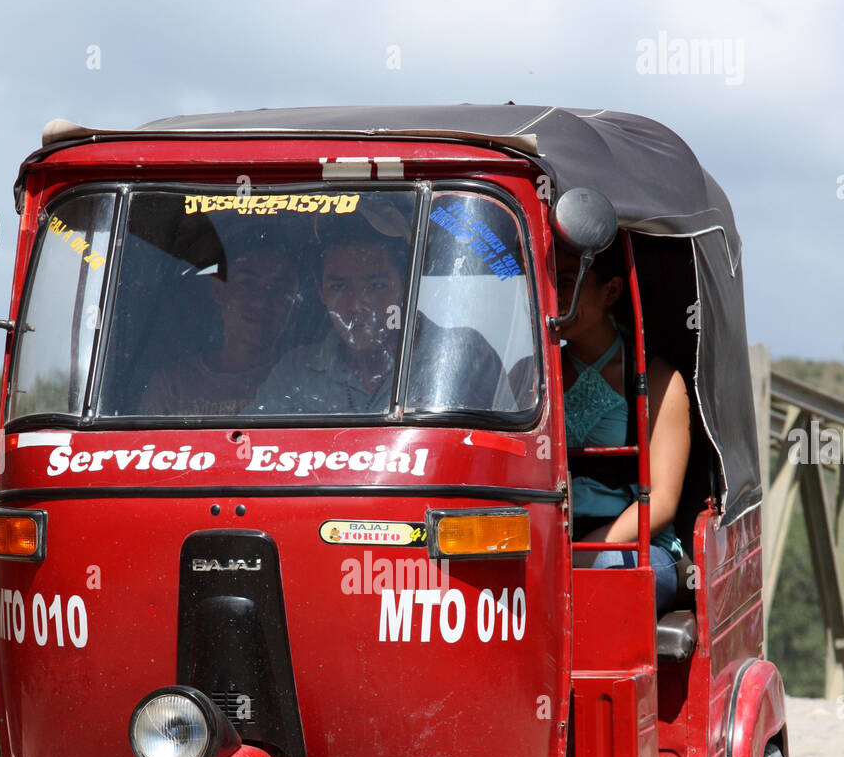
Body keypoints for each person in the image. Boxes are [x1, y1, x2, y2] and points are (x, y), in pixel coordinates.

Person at [555, 239, 691, 614]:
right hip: (553, 538)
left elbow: (661, 500)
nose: (553, 294)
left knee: (610, 571)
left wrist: (588, 550)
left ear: (611, 291)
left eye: (567, 280)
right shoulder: (531, 377)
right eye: (548, 279)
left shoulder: (659, 380)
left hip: (634, 542)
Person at [255, 230, 511, 415]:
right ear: (320, 291)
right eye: (339, 286)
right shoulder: (295, 374)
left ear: (406, 288)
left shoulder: (462, 355)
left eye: (376, 286)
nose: (356, 305)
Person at [139, 237, 298, 418]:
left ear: (294, 304)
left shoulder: (302, 379)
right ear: (219, 290)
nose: (261, 302)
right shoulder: (173, 385)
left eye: (279, 288)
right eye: (247, 283)